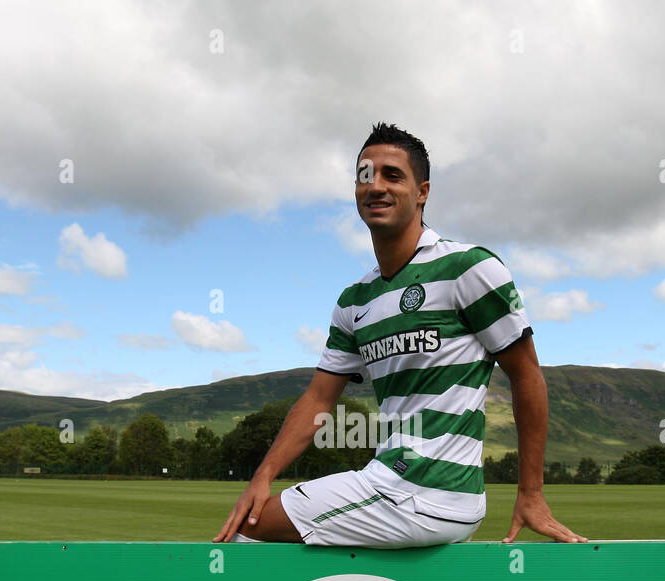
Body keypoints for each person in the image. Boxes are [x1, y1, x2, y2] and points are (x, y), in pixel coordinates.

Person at [213, 122, 585, 548]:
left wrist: (531, 495)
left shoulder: (468, 267)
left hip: (428, 493)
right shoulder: (355, 301)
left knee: (249, 529)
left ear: (422, 192)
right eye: (365, 175)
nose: (376, 186)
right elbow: (318, 400)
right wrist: (261, 478)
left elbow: (527, 376)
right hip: (391, 485)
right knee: (272, 520)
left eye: (393, 175)